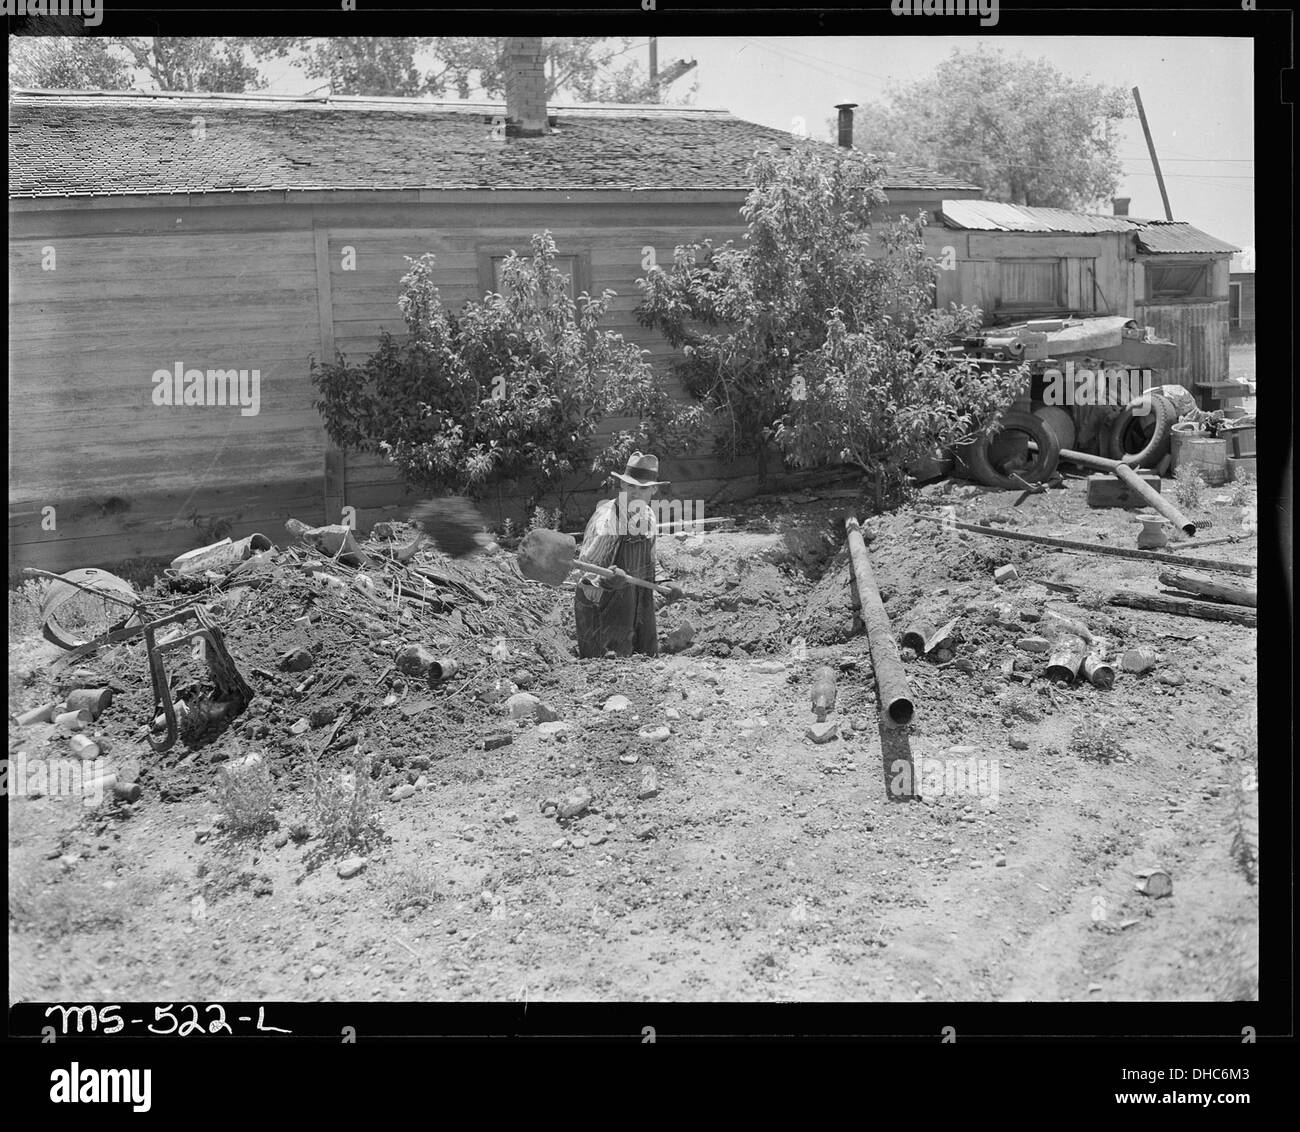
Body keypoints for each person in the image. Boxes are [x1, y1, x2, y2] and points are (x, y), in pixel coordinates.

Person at [573, 452, 684, 658]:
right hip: (601, 609)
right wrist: (607, 580)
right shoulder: (608, 522)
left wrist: (664, 581)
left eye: (642, 488)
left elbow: (650, 559)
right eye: (631, 486)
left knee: (647, 659)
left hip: (638, 602)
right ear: (622, 486)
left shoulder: (648, 515)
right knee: (610, 669)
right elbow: (584, 572)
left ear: (653, 490)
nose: (635, 493)